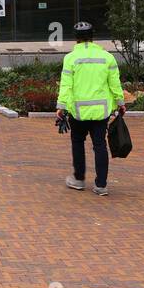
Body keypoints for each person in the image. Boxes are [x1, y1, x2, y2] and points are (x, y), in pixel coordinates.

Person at [55, 22, 125, 197]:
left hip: (78, 111)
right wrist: (120, 102)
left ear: (76, 38)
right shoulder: (107, 57)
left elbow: (66, 85)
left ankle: (78, 179)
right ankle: (101, 185)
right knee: (100, 145)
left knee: (78, 143)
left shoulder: (70, 58)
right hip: (101, 111)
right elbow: (115, 84)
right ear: (93, 36)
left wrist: (61, 106)